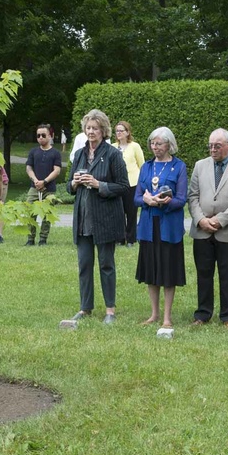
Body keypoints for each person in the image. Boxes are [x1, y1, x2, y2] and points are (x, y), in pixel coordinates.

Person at [67, 109, 129, 324]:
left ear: (103, 130)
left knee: (106, 264)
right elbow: (68, 186)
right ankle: (85, 308)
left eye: (95, 128)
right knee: (84, 264)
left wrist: (98, 184)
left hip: (105, 219)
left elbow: (123, 186)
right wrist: (75, 183)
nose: (91, 131)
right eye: (88, 128)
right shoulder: (79, 154)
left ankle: (110, 310)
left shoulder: (113, 154)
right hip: (83, 218)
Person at [188, 129, 228, 328]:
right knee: (203, 273)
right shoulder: (200, 166)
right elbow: (192, 196)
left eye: (217, 146)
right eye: (210, 146)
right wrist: (200, 220)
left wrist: (219, 220)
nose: (213, 149)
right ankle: (202, 314)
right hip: (202, 230)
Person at [135, 127, 187, 328]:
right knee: (152, 270)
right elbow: (136, 197)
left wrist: (165, 201)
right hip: (149, 226)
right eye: (152, 144)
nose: (155, 147)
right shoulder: (146, 167)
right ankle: (154, 314)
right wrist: (147, 200)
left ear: (169, 145)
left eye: (159, 144)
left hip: (169, 227)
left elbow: (182, 199)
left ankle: (167, 317)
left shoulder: (179, 167)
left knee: (168, 271)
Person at [24, 123, 62, 246]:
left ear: (50, 136)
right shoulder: (33, 152)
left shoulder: (55, 153)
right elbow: (29, 168)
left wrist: (44, 181)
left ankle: (43, 239)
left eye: (43, 135)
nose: (40, 137)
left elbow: (57, 170)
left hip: (49, 189)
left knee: (47, 215)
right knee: (30, 211)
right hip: (34, 188)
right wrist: (35, 180)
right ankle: (30, 239)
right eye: (38, 135)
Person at [113, 121, 146, 246]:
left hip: (133, 183)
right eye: (117, 131)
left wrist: (142, 183)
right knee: (118, 212)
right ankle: (120, 238)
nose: (119, 133)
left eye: (122, 130)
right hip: (117, 183)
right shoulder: (112, 146)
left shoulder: (134, 146)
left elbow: (142, 164)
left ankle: (131, 238)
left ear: (127, 132)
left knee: (131, 212)